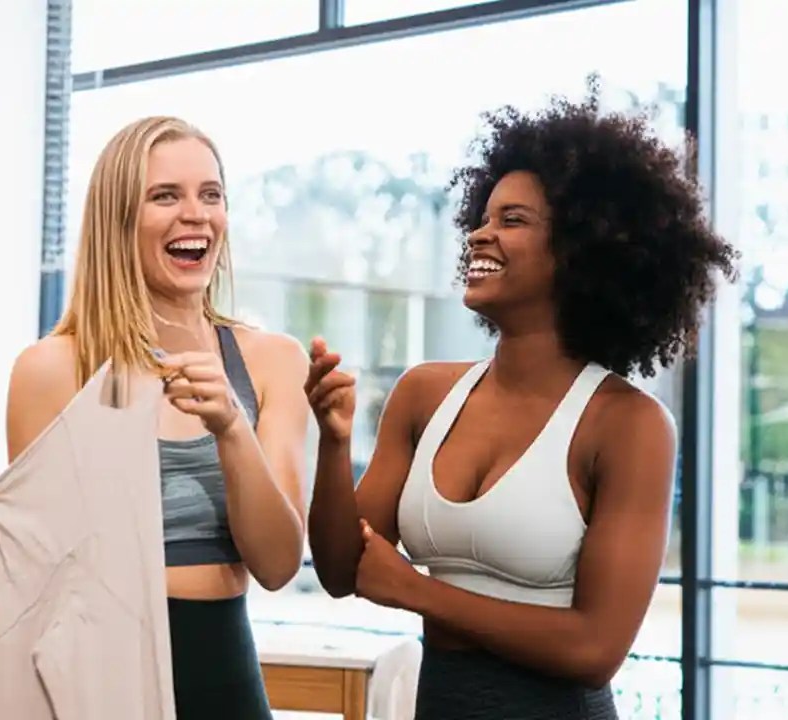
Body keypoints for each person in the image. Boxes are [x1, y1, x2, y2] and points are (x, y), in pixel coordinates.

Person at [305, 82, 739, 720]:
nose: (480, 236)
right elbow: (345, 570)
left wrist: (418, 593)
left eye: (512, 221)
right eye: (482, 218)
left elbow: (594, 648)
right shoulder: (424, 393)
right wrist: (334, 443)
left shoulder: (628, 424)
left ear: (580, 251)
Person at [0, 116, 310, 718]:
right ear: (118, 219)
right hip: (99, 687)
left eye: (211, 195)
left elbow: (279, 564)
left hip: (226, 680)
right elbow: (46, 577)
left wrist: (233, 429)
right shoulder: (52, 369)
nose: (196, 214)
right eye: (166, 195)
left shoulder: (272, 362)